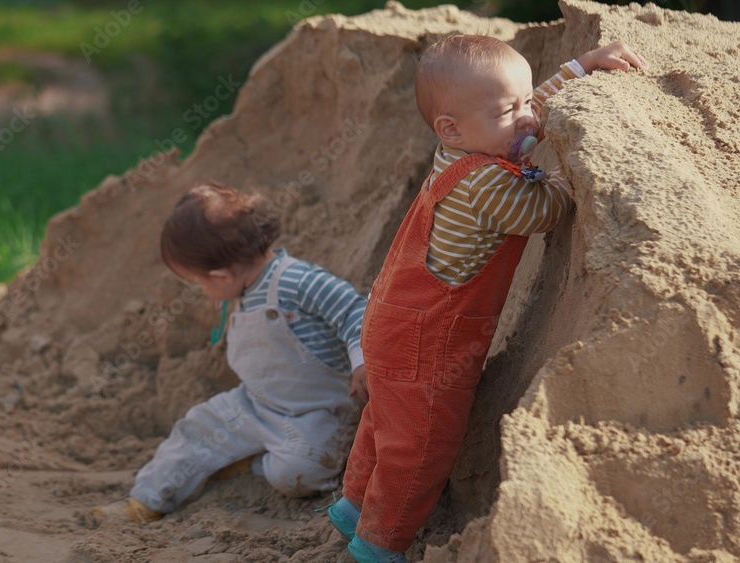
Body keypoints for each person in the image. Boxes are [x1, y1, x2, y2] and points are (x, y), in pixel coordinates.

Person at [326, 36, 648, 562]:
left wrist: (581, 67)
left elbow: (523, 108)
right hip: (426, 340)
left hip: (392, 320)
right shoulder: (488, 187)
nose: (526, 119)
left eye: (525, 102)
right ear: (451, 128)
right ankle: (378, 544)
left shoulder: (465, 145)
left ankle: (354, 505)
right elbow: (542, 212)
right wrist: (566, 182)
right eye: (509, 111)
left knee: (387, 417)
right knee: (422, 443)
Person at [94, 181, 369, 522]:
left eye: (200, 283)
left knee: (301, 472)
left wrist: (360, 360)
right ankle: (146, 500)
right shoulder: (244, 287)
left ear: (222, 275)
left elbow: (355, 311)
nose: (202, 291)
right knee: (196, 428)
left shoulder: (298, 281)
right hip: (255, 403)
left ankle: (250, 463)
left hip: (317, 413)